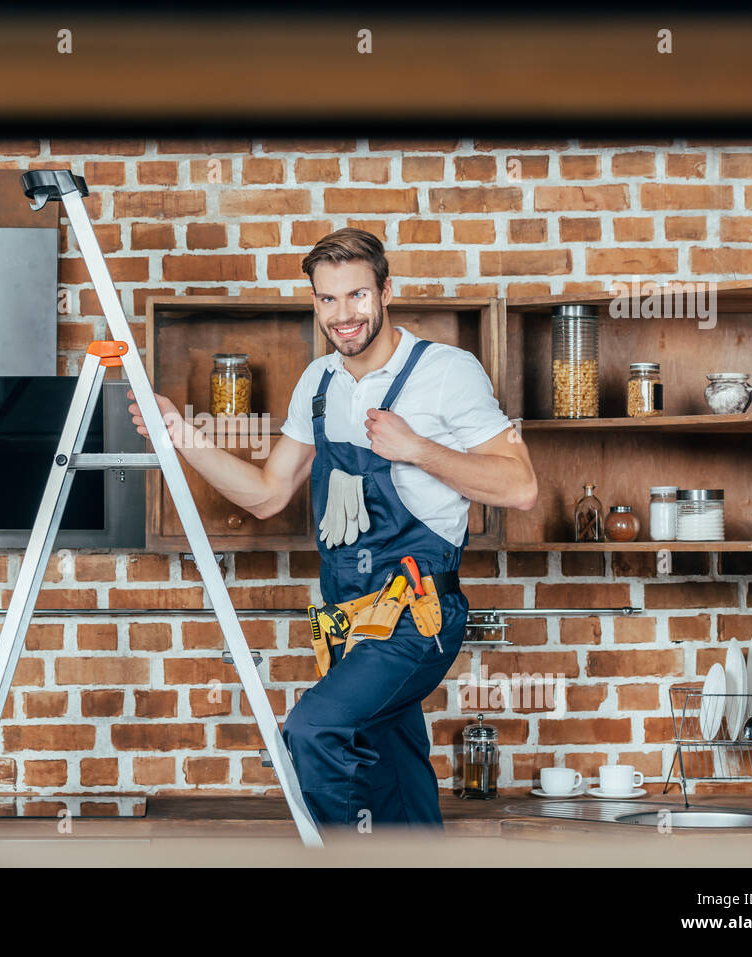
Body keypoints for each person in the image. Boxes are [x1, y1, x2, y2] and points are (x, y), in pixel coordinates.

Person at [128, 227, 537, 831]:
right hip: (349, 623)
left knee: (316, 728)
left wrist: (418, 448)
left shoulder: (447, 371)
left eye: (356, 296)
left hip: (417, 618)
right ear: (315, 302)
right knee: (395, 774)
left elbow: (520, 486)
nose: (342, 315)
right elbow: (267, 495)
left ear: (386, 291)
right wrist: (178, 434)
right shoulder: (318, 384)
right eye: (327, 300)